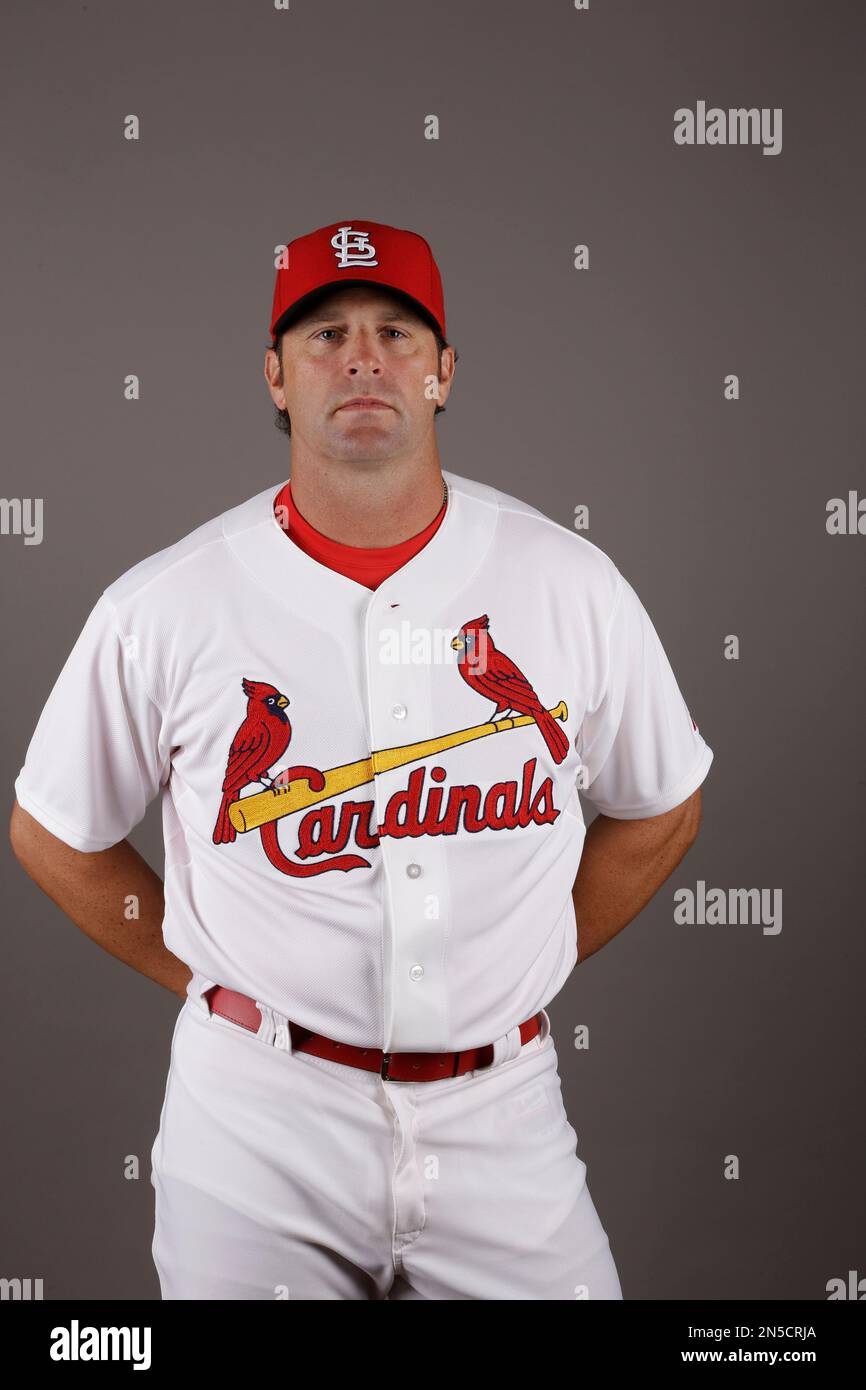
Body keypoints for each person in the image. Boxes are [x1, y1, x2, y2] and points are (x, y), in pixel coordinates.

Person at [9, 218, 713, 1300]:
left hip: (503, 1113)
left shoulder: (568, 581)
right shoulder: (167, 600)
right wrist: (205, 973)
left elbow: (662, 805)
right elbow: (52, 829)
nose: (361, 357)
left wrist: (534, 949)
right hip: (257, 1122)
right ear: (275, 378)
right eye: (324, 333)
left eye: (395, 330)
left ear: (442, 373)